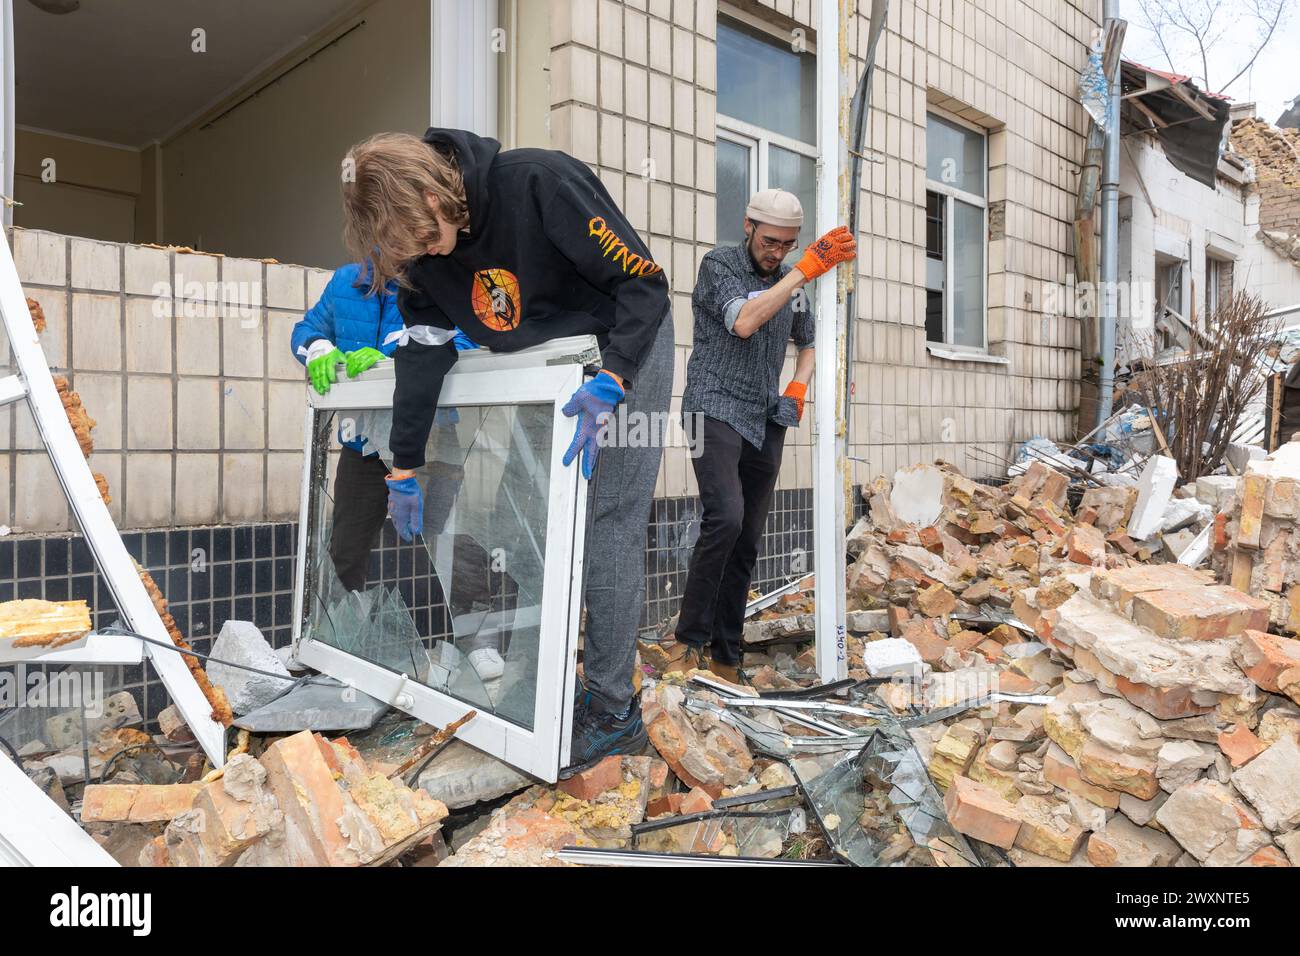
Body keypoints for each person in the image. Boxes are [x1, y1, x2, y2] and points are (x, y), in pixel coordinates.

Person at [339, 128, 673, 774]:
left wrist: (615, 379)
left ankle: (611, 711)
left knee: (606, 527)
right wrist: (403, 463)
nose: (426, 256)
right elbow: (424, 359)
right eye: (410, 253)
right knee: (526, 527)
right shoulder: (425, 269)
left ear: (436, 195)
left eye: (425, 238)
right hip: (553, 374)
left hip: (626, 351)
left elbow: (644, 284)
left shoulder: (540, 184)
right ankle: (540, 687)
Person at [666, 189, 857, 680]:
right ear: (747, 225)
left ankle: (726, 656)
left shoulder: (793, 280)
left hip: (765, 414)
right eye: (771, 241)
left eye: (789, 245)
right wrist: (804, 270)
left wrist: (797, 386)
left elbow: (810, 341)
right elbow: (746, 321)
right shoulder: (719, 265)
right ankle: (687, 641)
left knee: (748, 537)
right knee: (725, 517)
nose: (778, 253)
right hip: (712, 406)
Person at [288, 263, 503, 680]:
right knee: (347, 545)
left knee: (422, 541)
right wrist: (316, 346)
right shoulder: (347, 282)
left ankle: (448, 645)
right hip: (364, 441)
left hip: (429, 434)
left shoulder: (441, 273)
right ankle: (343, 646)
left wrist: (396, 352)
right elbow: (306, 328)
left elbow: (475, 337)